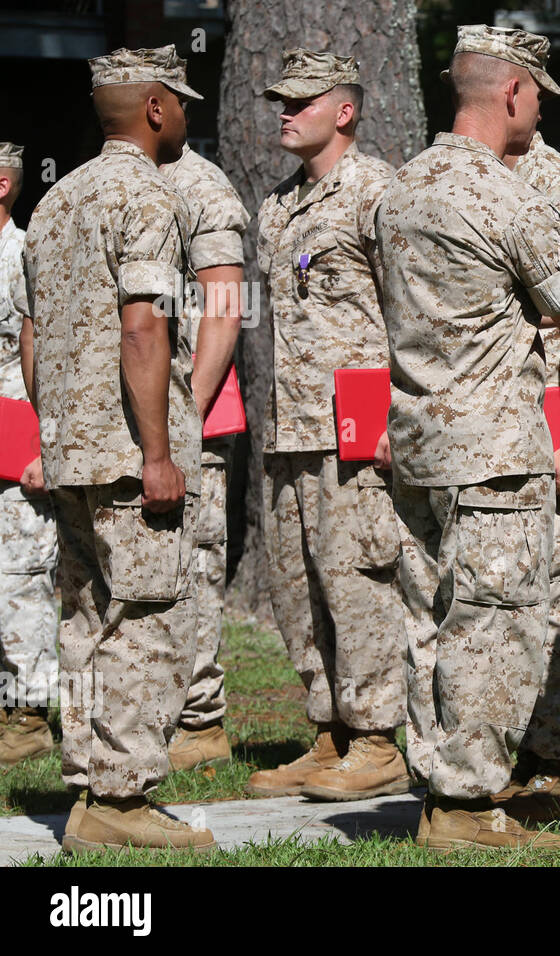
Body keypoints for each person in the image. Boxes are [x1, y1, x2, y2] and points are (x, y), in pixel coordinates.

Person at [377, 24, 560, 852]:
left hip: (418, 446)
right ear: (511, 92)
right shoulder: (507, 198)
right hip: (492, 453)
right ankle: (470, 807)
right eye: (537, 92)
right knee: (491, 622)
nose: (539, 106)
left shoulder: (398, 189)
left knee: (430, 620)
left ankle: (438, 787)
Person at [20, 45, 216, 852]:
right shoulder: (148, 194)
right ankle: (123, 801)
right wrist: (159, 452)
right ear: (158, 108)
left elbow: (32, 340)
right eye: (184, 101)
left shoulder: (56, 201)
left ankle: (87, 786)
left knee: (86, 617)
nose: (188, 116)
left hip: (68, 449)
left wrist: (52, 427)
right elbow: (144, 326)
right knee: (147, 619)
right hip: (130, 455)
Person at [245, 49, 410, 802]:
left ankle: (378, 740)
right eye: (281, 100)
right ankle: (329, 731)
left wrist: (394, 418)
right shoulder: (276, 206)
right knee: (296, 582)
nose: (286, 112)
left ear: (344, 111)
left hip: (356, 423)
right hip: (289, 424)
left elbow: (410, 309)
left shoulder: (378, 191)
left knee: (359, 579)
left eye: (302, 101)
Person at [484, 128, 560, 821]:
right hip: (469, 432)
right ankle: (501, 756)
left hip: (537, 425)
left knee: (548, 589)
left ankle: (557, 761)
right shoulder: (452, 174)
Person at [159, 142, 250, 771]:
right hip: (135, 415)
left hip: (192, 412)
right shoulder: (126, 175)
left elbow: (226, 305)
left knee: (194, 565)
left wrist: (187, 416)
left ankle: (199, 718)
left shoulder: (202, 186)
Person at [0, 142, 58, 767]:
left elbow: (40, 354)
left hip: (13, 432)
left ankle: (28, 714)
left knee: (19, 576)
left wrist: (43, 439)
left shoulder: (23, 255)